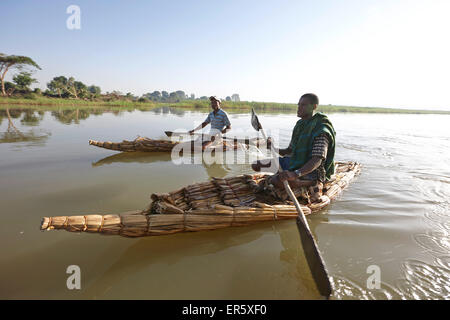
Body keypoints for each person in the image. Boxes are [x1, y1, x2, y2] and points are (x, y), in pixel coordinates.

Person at [252, 93, 335, 202]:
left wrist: (296, 174)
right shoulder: (299, 125)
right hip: (293, 162)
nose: (299, 108)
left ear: (314, 107)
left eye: (303, 105)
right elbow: (289, 151)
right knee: (256, 165)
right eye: (298, 104)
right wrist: (272, 148)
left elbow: (317, 159)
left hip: (312, 170)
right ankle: (287, 177)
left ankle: (312, 182)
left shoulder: (320, 129)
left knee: (277, 181)